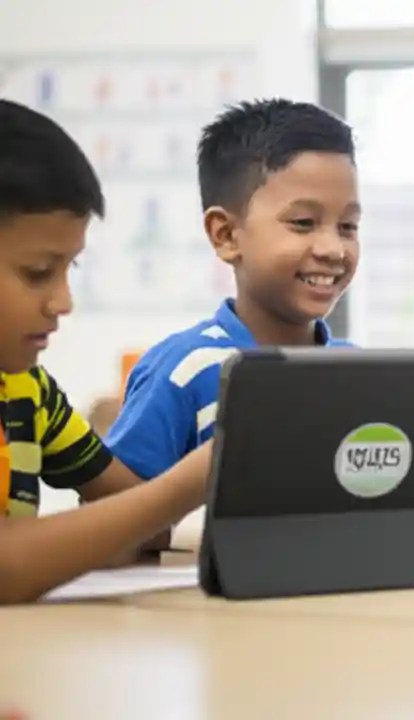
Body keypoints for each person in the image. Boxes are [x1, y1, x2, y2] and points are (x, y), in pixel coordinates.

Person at [0, 99, 211, 603]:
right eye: (37, 273)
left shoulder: (30, 392)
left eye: (69, 269)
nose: (63, 302)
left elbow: (133, 517)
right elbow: (6, 569)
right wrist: (187, 483)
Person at [106, 99, 359, 480]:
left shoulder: (359, 371)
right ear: (225, 235)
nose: (333, 249)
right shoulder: (182, 370)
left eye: (348, 227)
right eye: (304, 222)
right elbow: (114, 518)